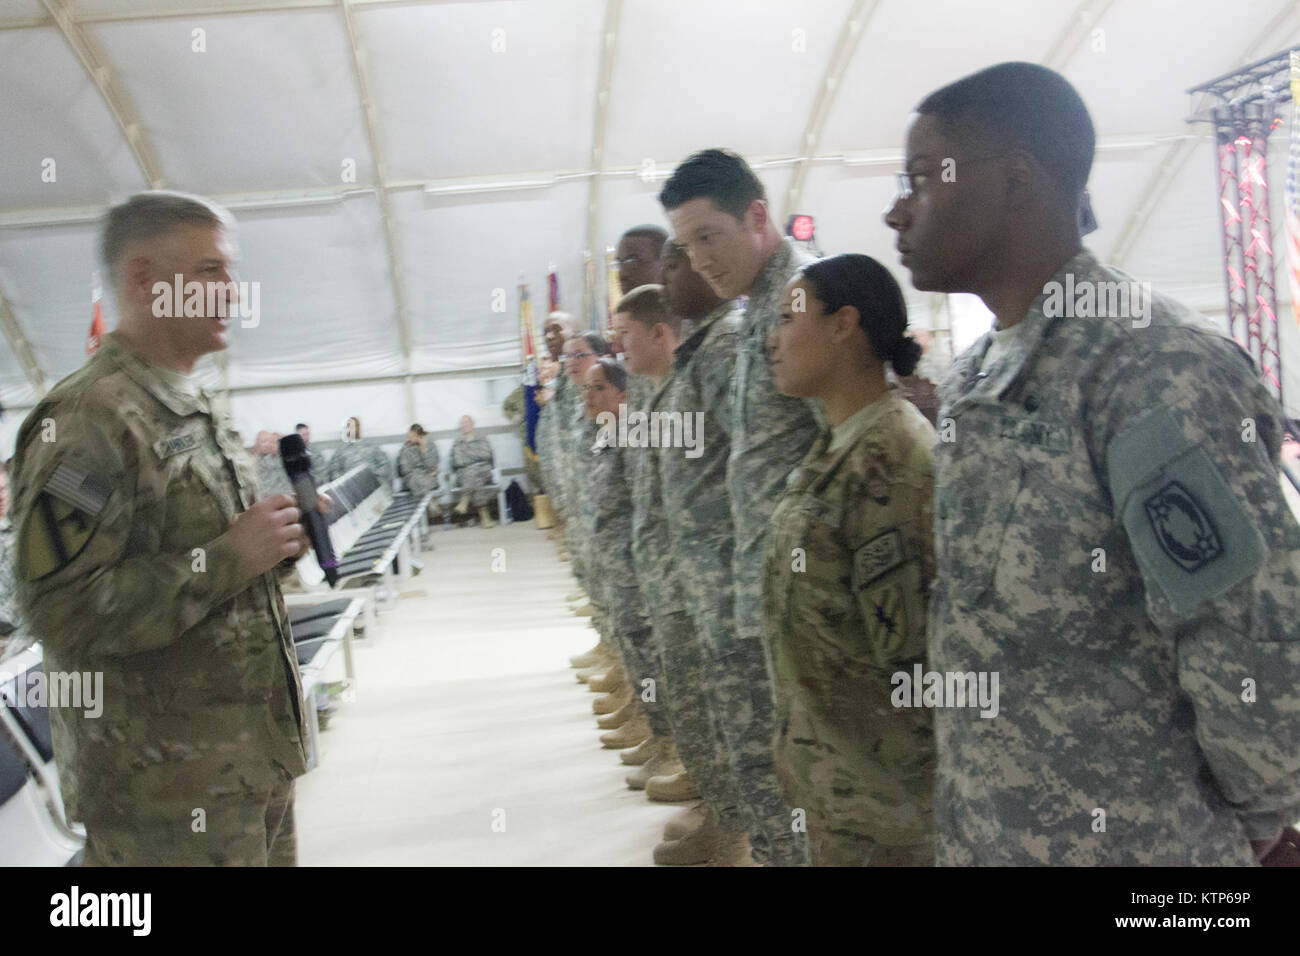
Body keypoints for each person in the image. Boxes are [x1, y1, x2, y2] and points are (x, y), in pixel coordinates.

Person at [884, 61, 1300, 865]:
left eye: (919, 181)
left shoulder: (1148, 366)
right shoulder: (979, 376)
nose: (896, 211)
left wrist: (1263, 822)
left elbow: (1244, 629)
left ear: (1015, 183)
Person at [9, 190, 312, 865]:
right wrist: (232, 556)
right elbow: (60, 609)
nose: (233, 293)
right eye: (211, 272)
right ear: (145, 280)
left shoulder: (190, 405)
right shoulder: (89, 423)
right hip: (165, 803)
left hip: (250, 763)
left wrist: (273, 548)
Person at [661, 147, 818, 865]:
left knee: (808, 783)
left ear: (757, 216)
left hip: (807, 603)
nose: (696, 262)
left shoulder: (809, 303)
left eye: (707, 238)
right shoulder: (761, 311)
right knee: (766, 769)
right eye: (686, 245)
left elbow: (850, 456)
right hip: (758, 590)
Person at [765, 253, 937, 866]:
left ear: (844, 325)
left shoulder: (891, 461)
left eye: (789, 317)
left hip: (886, 815)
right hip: (838, 794)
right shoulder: (837, 445)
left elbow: (911, 662)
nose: (772, 339)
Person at [646, 246, 755, 864]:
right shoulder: (698, 353)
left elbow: (747, 464)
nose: (664, 275)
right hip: (694, 576)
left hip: (724, 581)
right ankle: (727, 823)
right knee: (710, 710)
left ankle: (740, 838)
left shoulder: (725, 346)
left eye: (671, 261)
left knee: (737, 719)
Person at [449, 415, 496, 528]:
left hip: (483, 471)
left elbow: (486, 455)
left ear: (473, 424)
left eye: (467, 422)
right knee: (474, 476)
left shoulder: (482, 438)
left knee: (473, 472)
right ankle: (484, 516)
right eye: (463, 423)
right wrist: (474, 457)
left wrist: (468, 457)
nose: (465, 425)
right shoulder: (457, 442)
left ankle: (464, 500)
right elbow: (457, 461)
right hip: (465, 474)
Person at [325, 416, 393, 486]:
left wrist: (375, 477)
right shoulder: (340, 451)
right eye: (348, 427)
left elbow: (385, 465)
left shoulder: (371, 446)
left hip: (371, 486)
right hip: (350, 488)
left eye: (354, 426)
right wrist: (344, 482)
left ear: (358, 428)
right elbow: (334, 472)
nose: (351, 429)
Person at [397, 424, 442, 521]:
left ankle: (428, 509)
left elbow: (433, 466)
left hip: (428, 479)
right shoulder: (405, 449)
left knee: (422, 481)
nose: (409, 439)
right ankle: (431, 503)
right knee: (416, 479)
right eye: (409, 436)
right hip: (413, 479)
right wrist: (426, 474)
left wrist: (424, 450)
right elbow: (405, 470)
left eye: (412, 436)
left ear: (420, 436)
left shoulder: (431, 446)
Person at [252, 430, 294, 499]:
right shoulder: (265, 460)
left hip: (285, 495)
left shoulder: (287, 460)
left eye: (274, 442)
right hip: (269, 496)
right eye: (270, 442)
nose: (270, 445)